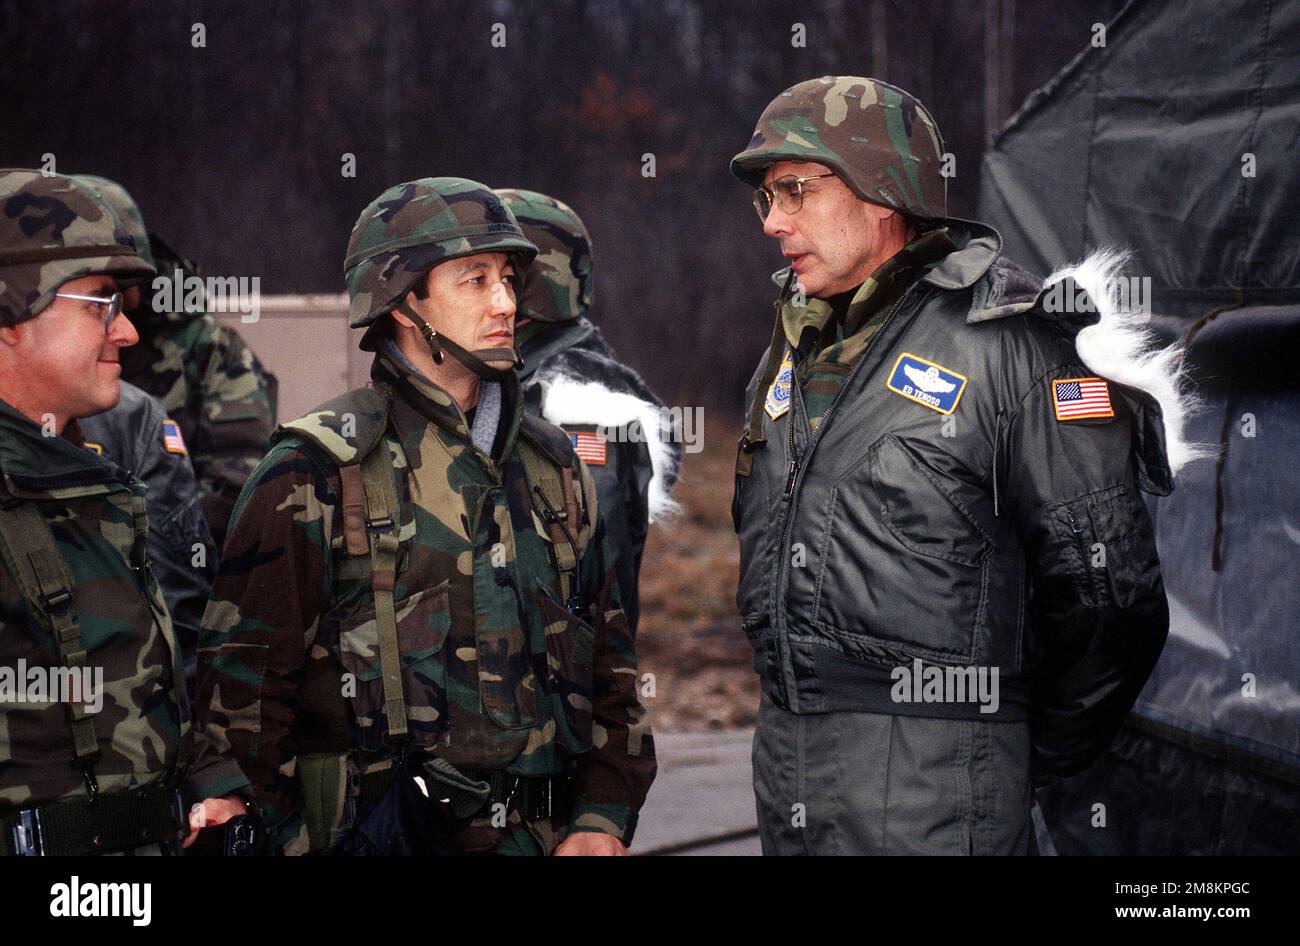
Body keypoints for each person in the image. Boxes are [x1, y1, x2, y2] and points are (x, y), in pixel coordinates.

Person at [728, 77, 1195, 854]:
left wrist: (1010, 754)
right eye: (767, 200)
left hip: (941, 802)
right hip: (791, 784)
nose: (774, 222)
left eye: (795, 191)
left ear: (882, 192)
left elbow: (1114, 601)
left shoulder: (1011, 348)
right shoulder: (793, 347)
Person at [194, 177, 655, 856]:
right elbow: (240, 711)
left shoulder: (554, 465)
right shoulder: (317, 470)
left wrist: (601, 821)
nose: (505, 302)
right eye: (474, 280)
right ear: (404, 301)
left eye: (507, 278)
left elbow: (613, 675)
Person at [0, 169, 249, 856]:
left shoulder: (99, 461)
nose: (130, 331)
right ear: (10, 310)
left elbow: (156, 667)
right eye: (100, 304)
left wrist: (208, 780)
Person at [495, 187, 680, 634]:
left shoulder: (580, 405)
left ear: (527, 283)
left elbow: (587, 589)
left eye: (491, 272)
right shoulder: (522, 373)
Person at [72, 175, 278, 550]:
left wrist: (134, 541)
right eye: (93, 290)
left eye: (119, 282)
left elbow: (239, 487)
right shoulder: (44, 343)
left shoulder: (208, 349)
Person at [79, 380, 215, 690]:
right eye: (100, 325)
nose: (124, 333)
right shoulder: (130, 415)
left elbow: (175, 598)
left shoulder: (132, 416)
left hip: (112, 710)